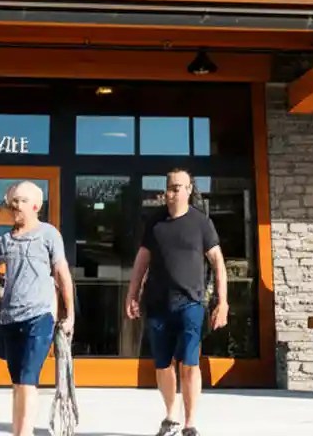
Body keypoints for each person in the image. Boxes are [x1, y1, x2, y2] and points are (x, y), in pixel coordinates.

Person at [125, 169, 227, 436]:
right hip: (158, 304)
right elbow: (142, 261)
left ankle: (190, 422)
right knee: (162, 364)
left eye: (177, 188)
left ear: (189, 189)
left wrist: (222, 302)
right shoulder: (155, 223)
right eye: (169, 188)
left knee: (190, 363)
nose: (171, 193)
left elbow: (218, 263)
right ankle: (171, 416)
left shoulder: (201, 223)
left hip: (191, 303)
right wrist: (132, 294)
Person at [0, 181, 75, 436]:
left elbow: (62, 273)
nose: (15, 206)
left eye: (21, 201)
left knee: (27, 378)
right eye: (12, 202)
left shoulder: (49, 234)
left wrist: (70, 315)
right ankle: (20, 430)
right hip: (10, 317)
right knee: (18, 381)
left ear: (36, 205)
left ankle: (23, 433)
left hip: (40, 315)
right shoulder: (5, 240)